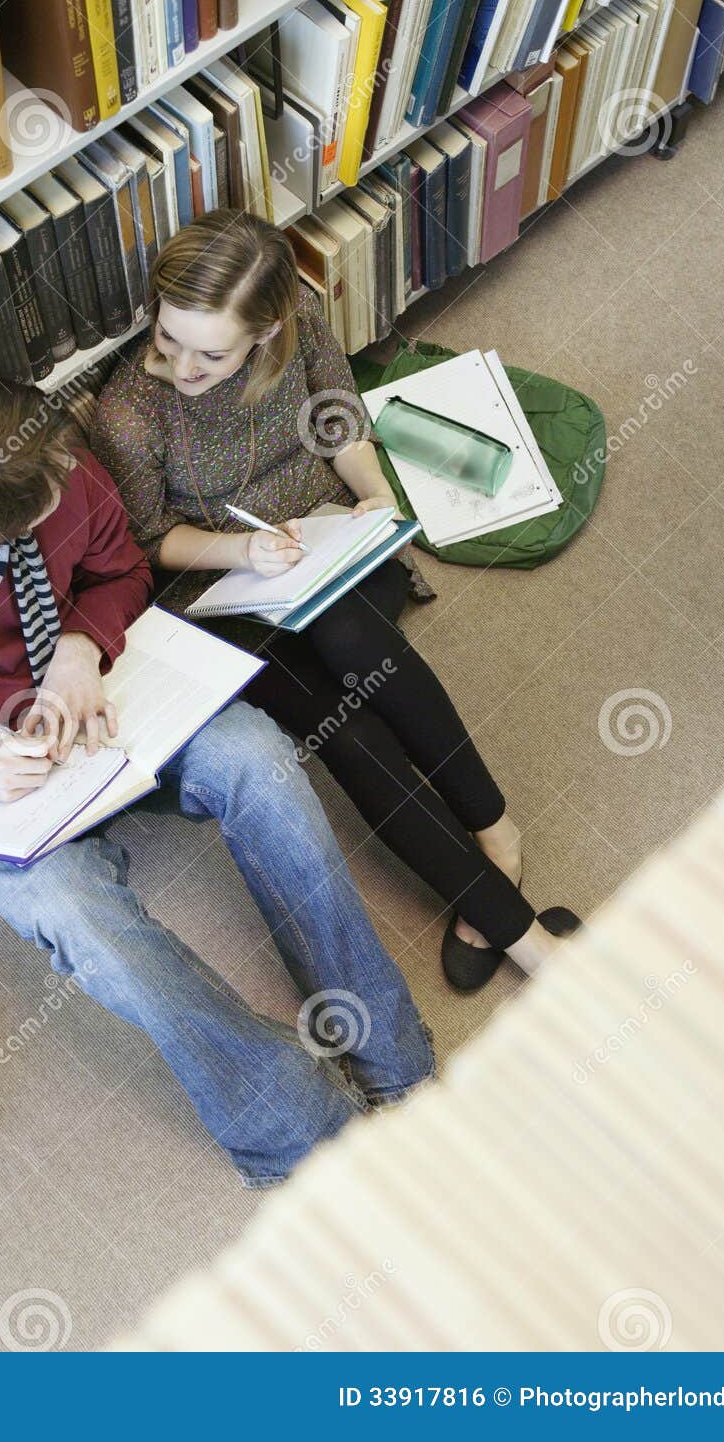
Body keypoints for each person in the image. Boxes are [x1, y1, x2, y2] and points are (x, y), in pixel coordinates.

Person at [0, 375, 433, 1187]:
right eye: (50, 495)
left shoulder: (54, 468)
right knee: (85, 924)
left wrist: (79, 648)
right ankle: (298, 1126)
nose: (73, 483)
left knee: (260, 762)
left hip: (112, 699)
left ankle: (390, 1054)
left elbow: (120, 570)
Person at [90, 210, 581, 992]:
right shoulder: (128, 410)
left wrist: (376, 497)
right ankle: (521, 934)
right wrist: (240, 549)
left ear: (268, 326)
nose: (182, 364)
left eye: (210, 351)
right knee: (345, 732)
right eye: (168, 335)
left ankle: (496, 830)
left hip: (328, 540)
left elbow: (342, 420)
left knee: (351, 635)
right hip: (223, 592)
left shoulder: (302, 321)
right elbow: (150, 538)